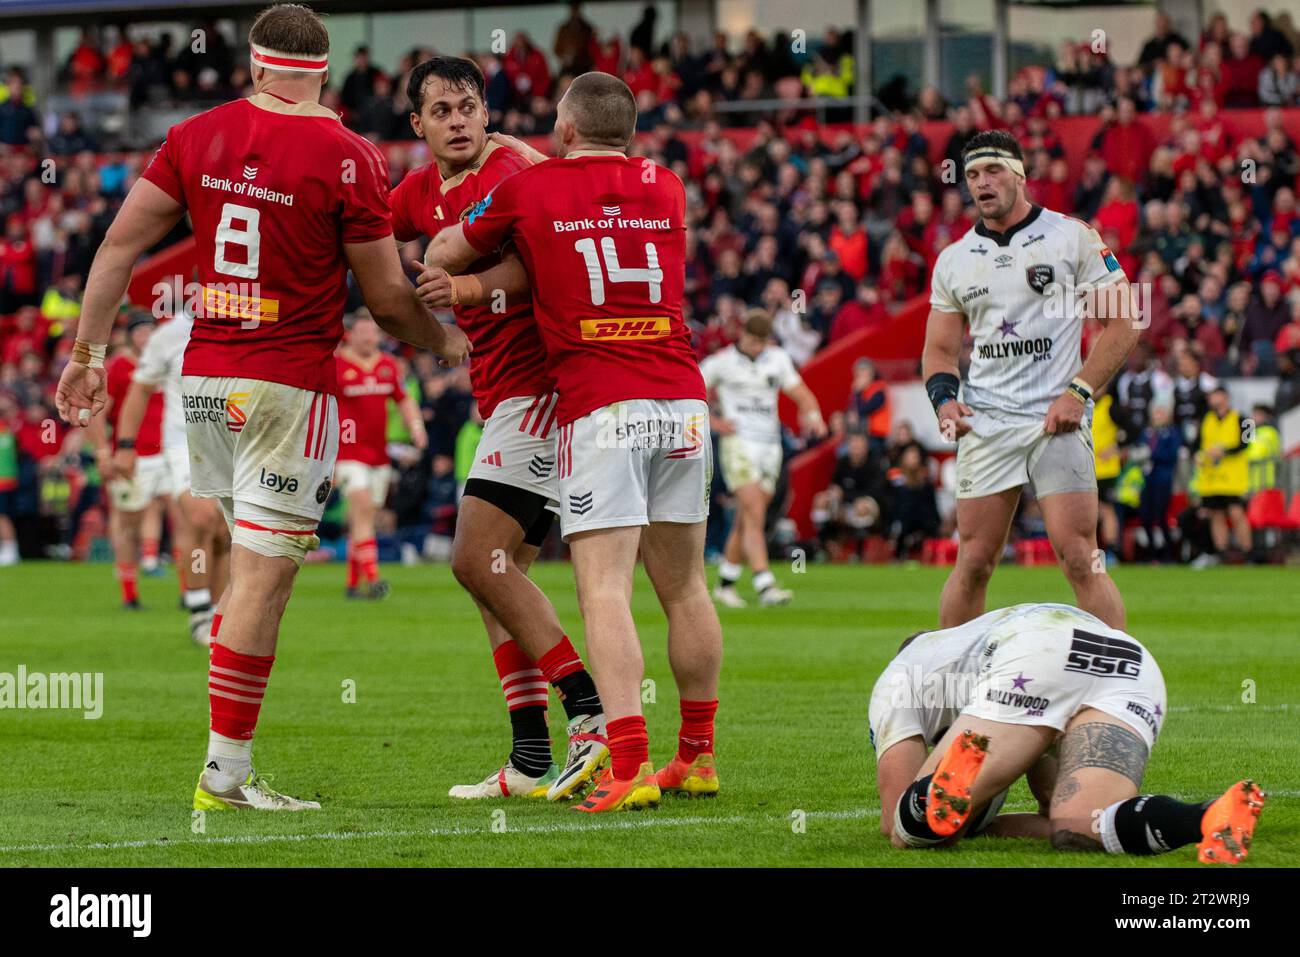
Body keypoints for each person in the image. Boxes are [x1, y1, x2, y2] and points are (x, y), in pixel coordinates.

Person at [54, 3, 469, 812]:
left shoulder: (195, 134)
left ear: (253, 66)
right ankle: (226, 774)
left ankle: (226, 755)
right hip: (285, 385)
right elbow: (385, 300)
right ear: (324, 70)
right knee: (264, 581)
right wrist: (446, 341)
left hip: (206, 380)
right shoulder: (349, 153)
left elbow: (116, 247)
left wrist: (85, 355)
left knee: (244, 564)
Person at [421, 71, 724, 812]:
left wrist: (463, 281)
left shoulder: (531, 187)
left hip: (599, 404)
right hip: (683, 399)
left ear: (562, 132)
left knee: (604, 590)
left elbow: (446, 246)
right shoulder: (668, 185)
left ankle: (623, 761)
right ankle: (698, 755)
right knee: (685, 587)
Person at [392, 55, 607, 801]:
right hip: (501, 391)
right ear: (417, 124)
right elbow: (360, 235)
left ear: (486, 113)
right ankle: (530, 754)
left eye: (467, 107)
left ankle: (591, 713)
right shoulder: (422, 188)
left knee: (474, 559)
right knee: (495, 581)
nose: (457, 121)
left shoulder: (516, 167)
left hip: (543, 385)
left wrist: (467, 287)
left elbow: (542, 260)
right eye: (441, 111)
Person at [921, 129, 1139, 629]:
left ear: (1020, 174)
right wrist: (944, 400)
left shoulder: (1071, 237)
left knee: (1081, 556)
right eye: (972, 174)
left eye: (993, 170)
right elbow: (938, 350)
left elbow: (1125, 321)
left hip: (1055, 421)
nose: (982, 183)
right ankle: (955, 686)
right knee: (973, 563)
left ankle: (1120, 686)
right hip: (988, 423)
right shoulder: (954, 260)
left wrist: (1078, 391)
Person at [870, 603, 1266, 864]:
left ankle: (948, 786)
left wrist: (967, 818)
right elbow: (1048, 799)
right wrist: (990, 826)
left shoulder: (899, 675)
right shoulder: (973, 640)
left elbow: (890, 820)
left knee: (908, 829)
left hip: (1034, 657)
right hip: (1127, 661)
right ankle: (1204, 817)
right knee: (1083, 827)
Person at [113, 307, 231, 644]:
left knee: (224, 533)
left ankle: (218, 615)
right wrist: (124, 445)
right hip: (184, 444)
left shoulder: (247, 324)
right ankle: (198, 611)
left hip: (234, 443)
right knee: (201, 517)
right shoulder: (170, 335)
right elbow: (140, 389)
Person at [701, 307, 825, 608]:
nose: (758, 347)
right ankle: (765, 584)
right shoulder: (721, 363)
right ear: (742, 335)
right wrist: (716, 424)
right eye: (753, 340)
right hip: (738, 444)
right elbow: (690, 393)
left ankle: (726, 583)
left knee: (746, 518)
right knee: (755, 511)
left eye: (762, 341)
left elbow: (802, 394)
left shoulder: (778, 359)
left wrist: (814, 416)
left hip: (771, 447)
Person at [334, 312, 426, 600]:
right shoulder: (336, 365)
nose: (368, 337)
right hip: (347, 451)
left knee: (365, 518)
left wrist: (416, 426)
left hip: (378, 454)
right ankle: (374, 581)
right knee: (361, 507)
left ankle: (352, 584)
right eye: (363, 332)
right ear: (351, 334)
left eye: (373, 332)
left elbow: (403, 398)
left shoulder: (387, 365)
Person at [85, 312, 169, 610]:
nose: (145, 337)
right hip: (132, 457)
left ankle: (191, 593)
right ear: (131, 335)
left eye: (150, 331)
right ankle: (129, 593)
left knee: (184, 517)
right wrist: (103, 452)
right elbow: (96, 411)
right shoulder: (118, 367)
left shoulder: (167, 363)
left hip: (170, 454)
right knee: (127, 520)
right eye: (140, 332)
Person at [1193, 386, 1250, 566]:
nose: (1211, 399)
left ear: (1225, 396)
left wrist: (1225, 451)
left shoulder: (1243, 418)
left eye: (1215, 395)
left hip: (1233, 478)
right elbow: (1195, 444)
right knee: (1216, 515)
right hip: (1211, 478)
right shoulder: (1205, 419)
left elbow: (1248, 442)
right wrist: (1197, 454)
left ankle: (1248, 552)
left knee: (1236, 514)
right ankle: (1221, 553)